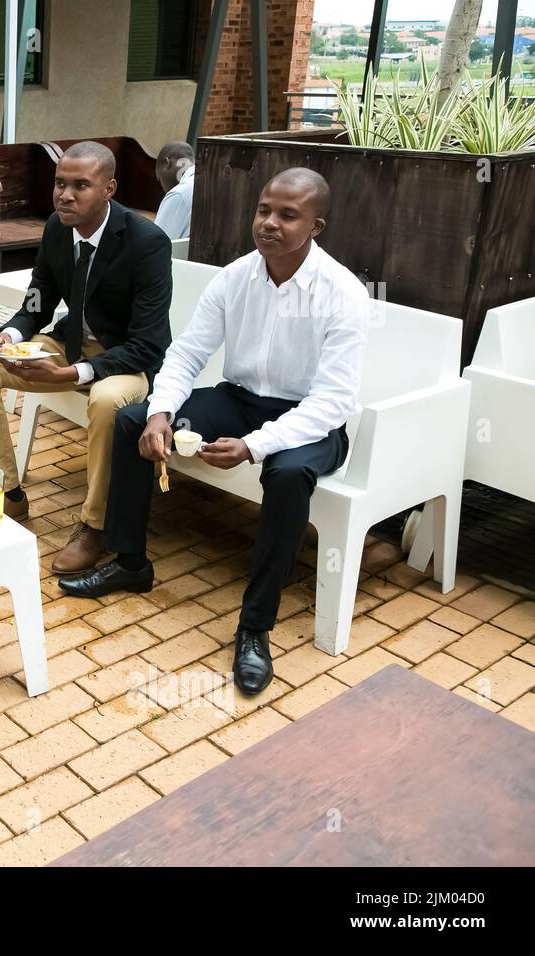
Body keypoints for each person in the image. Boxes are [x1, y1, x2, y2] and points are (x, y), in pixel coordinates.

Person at [61, 169, 369, 696]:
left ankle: (255, 626)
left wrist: (255, 446)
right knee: (133, 418)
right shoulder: (235, 277)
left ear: (316, 226)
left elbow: (334, 400)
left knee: (289, 473)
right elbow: (186, 354)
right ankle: (131, 561)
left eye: (287, 215)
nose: (268, 223)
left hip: (311, 418)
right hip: (239, 399)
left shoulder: (342, 292)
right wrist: (161, 411)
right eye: (263, 210)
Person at [0, 141, 173, 575]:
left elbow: (148, 342)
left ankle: (95, 526)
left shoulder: (146, 241)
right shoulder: (58, 228)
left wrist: (73, 372)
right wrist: (11, 334)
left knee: (107, 400)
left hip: (128, 361)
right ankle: (8, 495)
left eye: (80, 185)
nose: (65, 195)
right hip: (71, 345)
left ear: (109, 188)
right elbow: (37, 301)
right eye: (60, 184)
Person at [153, 141, 196, 241]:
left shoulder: (179, 194)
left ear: (167, 163)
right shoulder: (210, 181)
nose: (163, 188)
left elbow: (156, 243)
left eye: (160, 179)